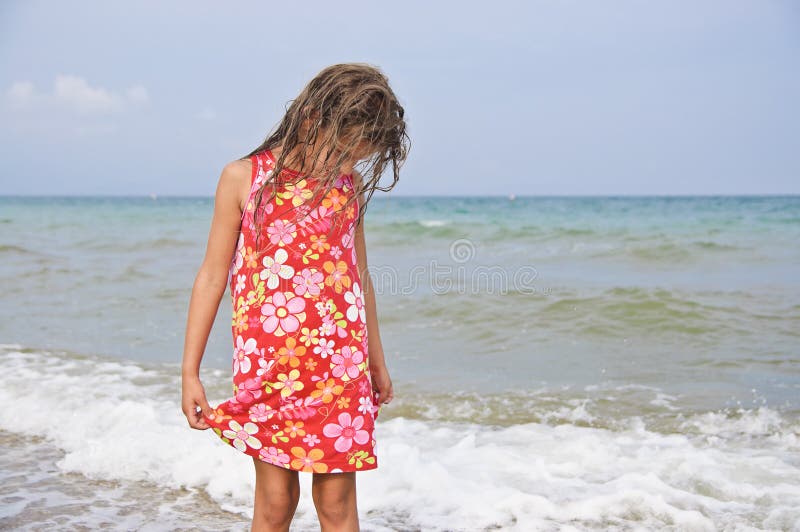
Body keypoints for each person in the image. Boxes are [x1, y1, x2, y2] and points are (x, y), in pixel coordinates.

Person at [180, 63, 409, 531]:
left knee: (337, 503)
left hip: (340, 364)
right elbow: (211, 276)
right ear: (310, 121)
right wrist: (190, 371)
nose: (345, 164)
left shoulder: (347, 186)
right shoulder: (243, 178)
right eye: (341, 150)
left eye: (356, 157)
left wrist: (376, 360)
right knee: (276, 501)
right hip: (270, 366)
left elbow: (359, 279)